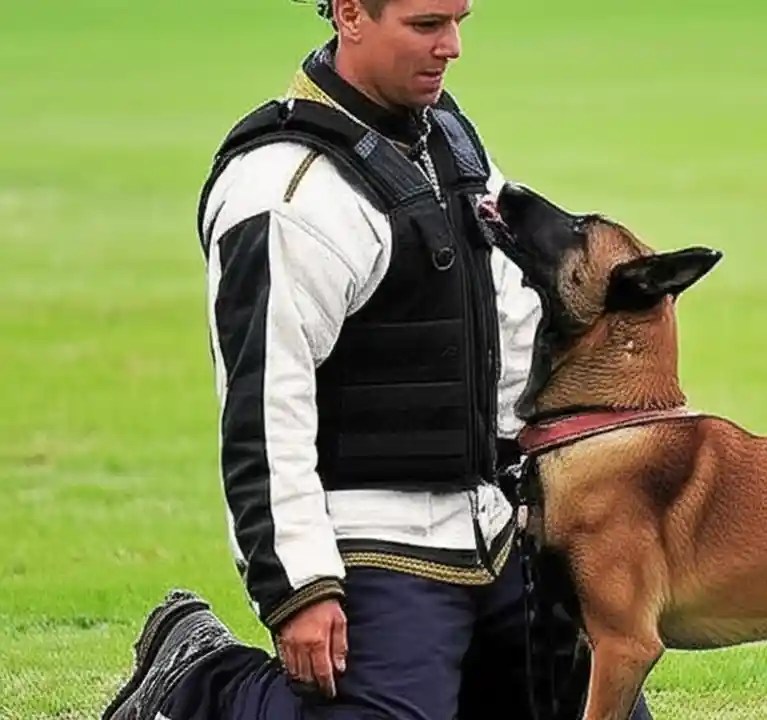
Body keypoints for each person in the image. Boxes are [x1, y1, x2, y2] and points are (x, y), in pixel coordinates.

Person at [101, 1, 652, 718]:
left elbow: (510, 318)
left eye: (458, 20)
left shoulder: (449, 138)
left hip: (492, 523)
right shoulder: (283, 190)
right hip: (371, 538)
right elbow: (266, 407)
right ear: (351, 12)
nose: (451, 46)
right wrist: (298, 586)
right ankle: (195, 676)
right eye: (426, 25)